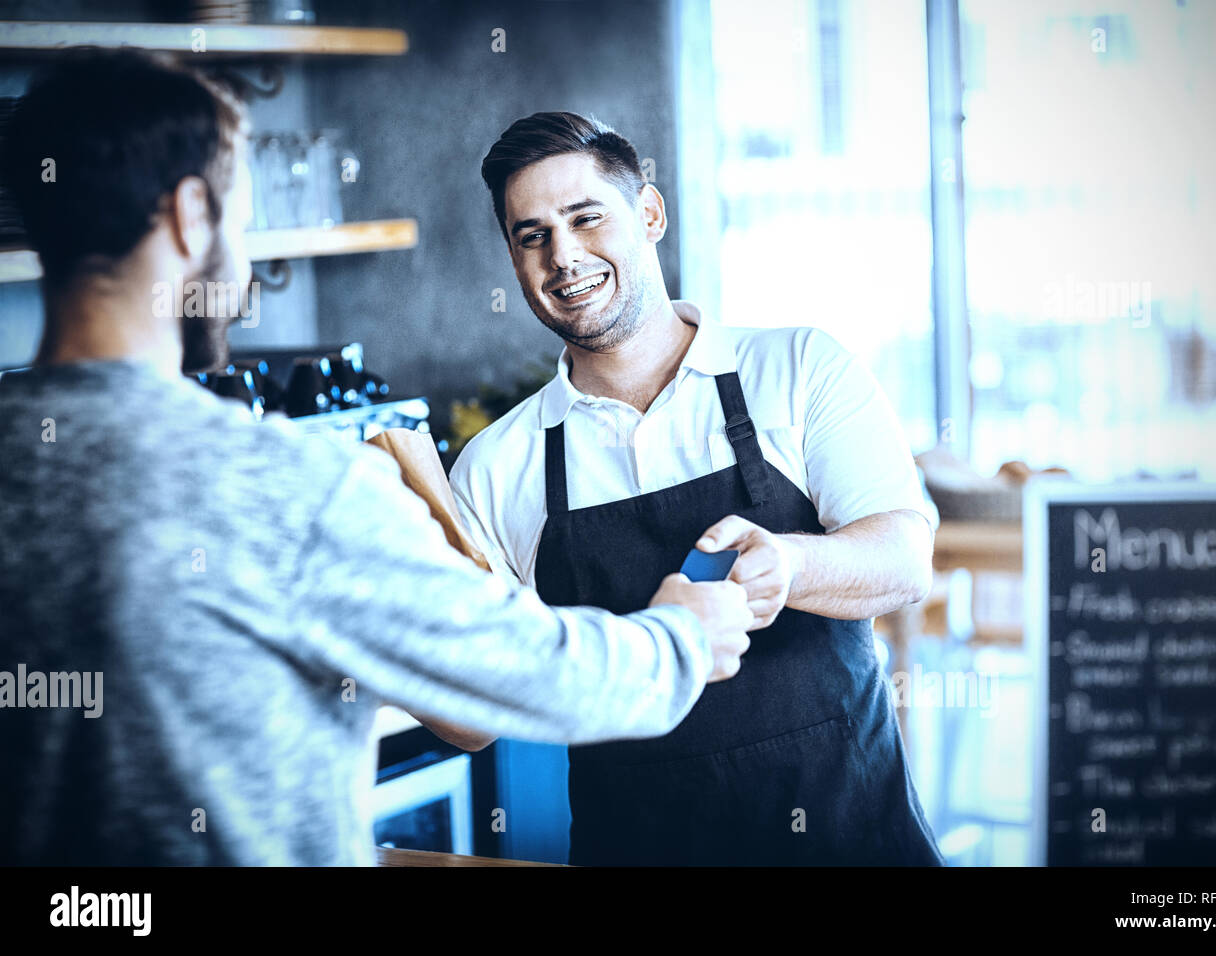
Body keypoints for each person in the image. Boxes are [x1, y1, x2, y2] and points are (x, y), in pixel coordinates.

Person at [0, 51, 752, 866]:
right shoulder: (283, 485)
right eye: (243, 221)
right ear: (190, 217)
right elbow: (534, 674)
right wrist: (681, 634)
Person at [450, 111, 946, 866]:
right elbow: (468, 723)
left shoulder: (800, 369)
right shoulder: (495, 467)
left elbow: (906, 562)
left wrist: (791, 565)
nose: (564, 256)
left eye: (587, 218)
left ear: (649, 213)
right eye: (532, 236)